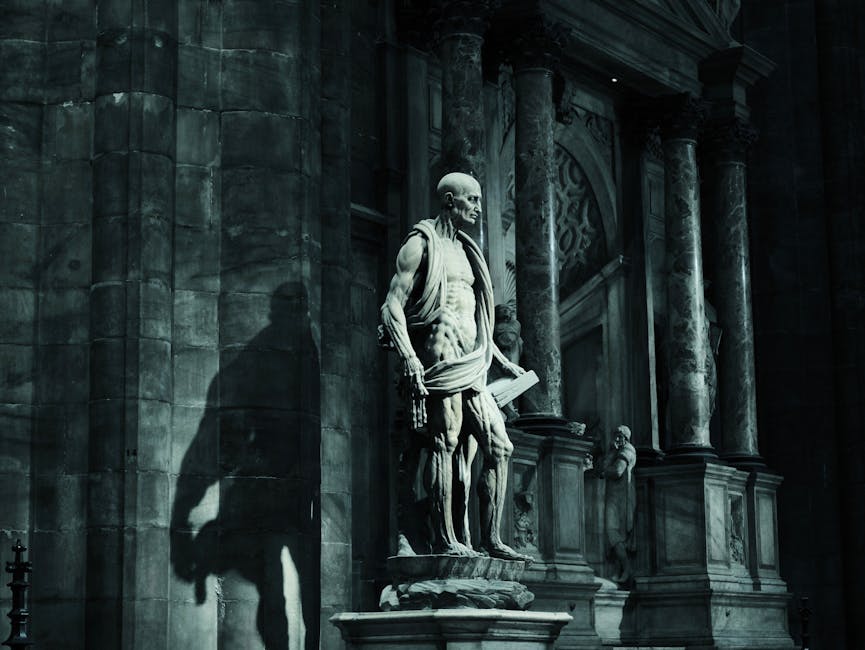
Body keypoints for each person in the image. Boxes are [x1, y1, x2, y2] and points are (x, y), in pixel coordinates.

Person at [380, 172, 529, 561]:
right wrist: (410, 358)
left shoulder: (467, 250)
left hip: (472, 361)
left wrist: (499, 360)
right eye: (472, 200)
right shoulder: (421, 244)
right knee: (443, 443)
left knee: (500, 445)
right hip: (440, 357)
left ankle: (491, 538)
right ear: (449, 201)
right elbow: (391, 305)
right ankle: (445, 539)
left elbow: (475, 315)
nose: (479, 208)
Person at [603, 425, 637, 585]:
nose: (616, 439)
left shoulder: (627, 452)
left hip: (621, 500)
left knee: (614, 533)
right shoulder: (617, 452)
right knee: (614, 534)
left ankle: (627, 568)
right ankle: (621, 568)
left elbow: (617, 471)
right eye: (615, 435)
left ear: (626, 438)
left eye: (619, 436)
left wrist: (604, 470)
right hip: (614, 498)